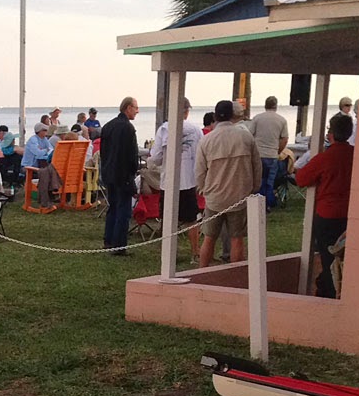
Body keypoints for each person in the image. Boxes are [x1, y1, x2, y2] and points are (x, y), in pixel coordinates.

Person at [294, 112, 355, 298]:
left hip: (328, 216)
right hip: (351, 215)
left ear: (331, 134)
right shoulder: (356, 155)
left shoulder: (326, 157)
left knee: (328, 258)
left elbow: (301, 178)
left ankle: (330, 291)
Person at [196, 99, 261, 268]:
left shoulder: (206, 140)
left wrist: (204, 190)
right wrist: (253, 188)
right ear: (233, 115)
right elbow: (256, 166)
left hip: (215, 198)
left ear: (215, 116)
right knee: (236, 238)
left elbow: (200, 172)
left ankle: (202, 273)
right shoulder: (245, 136)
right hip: (239, 196)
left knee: (209, 238)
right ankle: (237, 275)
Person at [147, 97, 203, 258]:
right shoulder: (196, 130)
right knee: (191, 219)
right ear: (186, 112)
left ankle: (169, 253)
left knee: (168, 219)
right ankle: (195, 251)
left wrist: (151, 162)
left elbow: (156, 156)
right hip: (188, 180)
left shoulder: (164, 129)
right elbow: (201, 155)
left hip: (169, 182)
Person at [99, 96, 140, 254]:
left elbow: (103, 152)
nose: (137, 111)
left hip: (109, 173)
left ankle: (108, 240)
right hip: (123, 175)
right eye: (135, 108)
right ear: (128, 108)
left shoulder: (108, 126)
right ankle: (119, 245)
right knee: (123, 210)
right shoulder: (128, 128)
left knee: (113, 207)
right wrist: (133, 171)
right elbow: (132, 155)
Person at [248, 95, 289, 208]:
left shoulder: (257, 118)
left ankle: (257, 204)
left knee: (258, 180)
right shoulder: (281, 120)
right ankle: (268, 204)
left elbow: (249, 135)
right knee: (270, 182)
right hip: (272, 155)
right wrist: (277, 150)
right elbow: (284, 139)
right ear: (276, 106)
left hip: (259, 154)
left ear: (265, 105)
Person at [21, 123, 54, 203]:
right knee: (47, 172)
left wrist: (44, 150)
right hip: (28, 166)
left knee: (49, 171)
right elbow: (38, 153)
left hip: (39, 165)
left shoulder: (44, 139)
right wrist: (45, 150)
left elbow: (51, 150)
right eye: (45, 130)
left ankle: (50, 194)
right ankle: (45, 196)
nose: (46, 132)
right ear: (39, 131)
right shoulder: (33, 140)